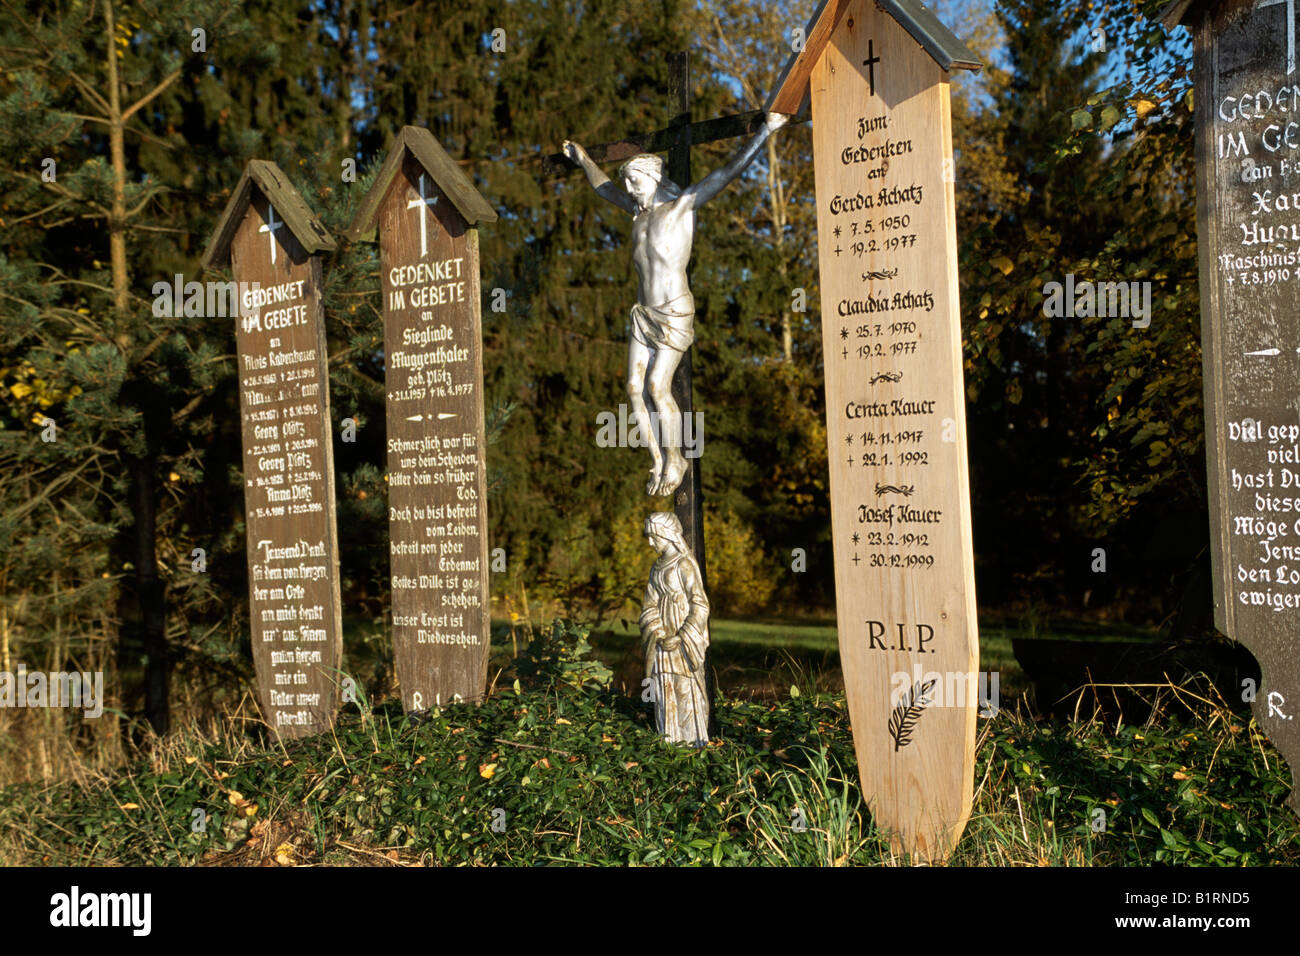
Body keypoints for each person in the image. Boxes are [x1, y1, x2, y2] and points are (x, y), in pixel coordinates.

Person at [563, 111, 790, 496]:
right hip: (642, 313)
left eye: (636, 181)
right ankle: (656, 460)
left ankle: (676, 458)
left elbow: (724, 174)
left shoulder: (681, 208)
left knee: (656, 385)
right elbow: (603, 189)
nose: (631, 189)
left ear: (653, 177)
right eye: (629, 183)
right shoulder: (638, 215)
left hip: (672, 311)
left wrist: (765, 132)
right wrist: (583, 159)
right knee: (634, 388)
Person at [638, 511, 710, 746]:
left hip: (683, 640)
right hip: (662, 640)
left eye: (654, 536)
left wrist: (681, 636)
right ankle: (669, 742)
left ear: (667, 534)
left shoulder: (684, 564)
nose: (650, 542)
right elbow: (649, 604)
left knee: (685, 688)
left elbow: (699, 603)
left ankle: (692, 742)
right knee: (663, 689)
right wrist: (658, 633)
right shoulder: (656, 567)